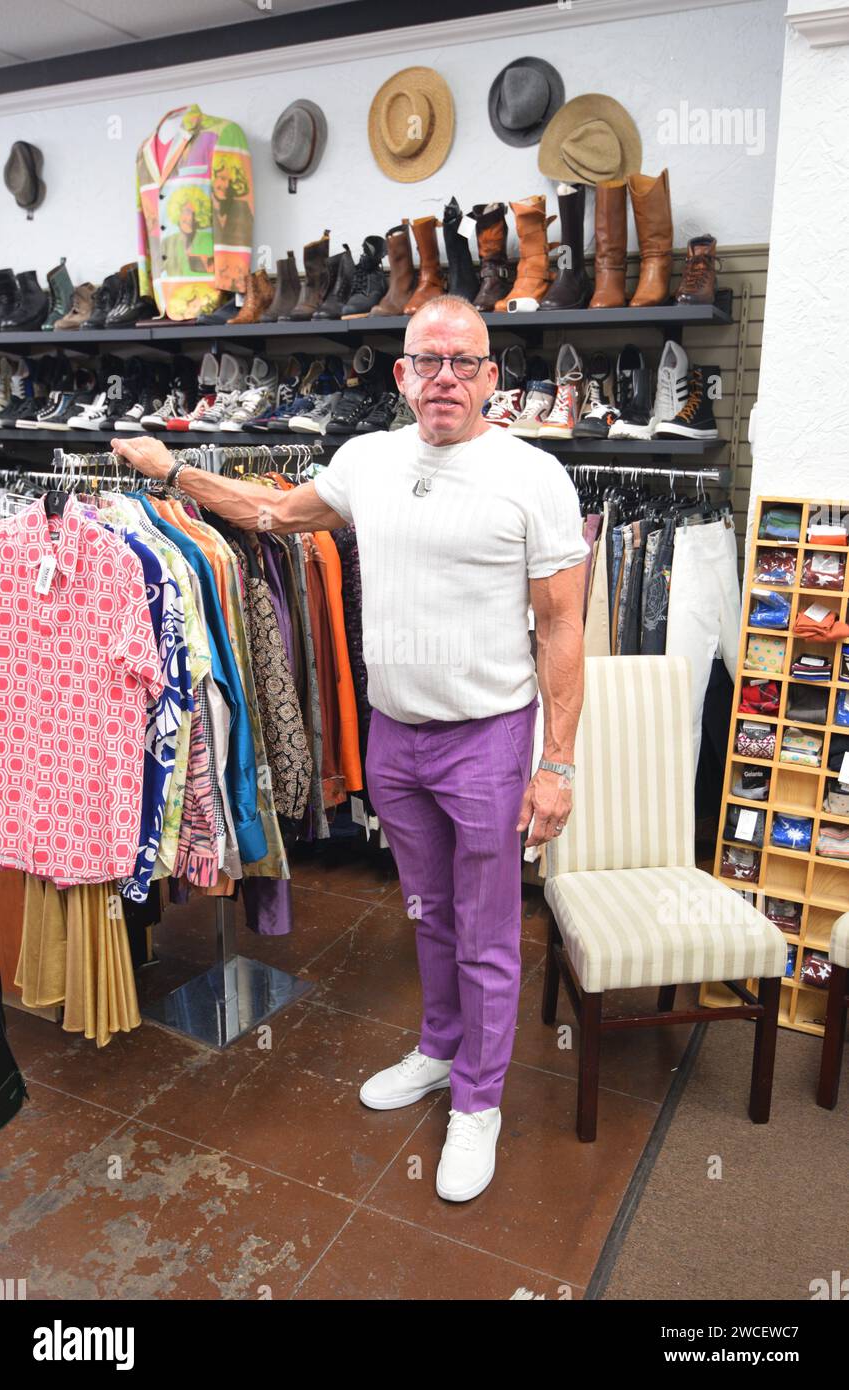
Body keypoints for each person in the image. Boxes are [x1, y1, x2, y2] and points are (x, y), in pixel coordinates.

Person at [111, 294, 588, 1203]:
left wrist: (556, 764)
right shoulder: (366, 460)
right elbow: (272, 516)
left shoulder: (535, 476)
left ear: (492, 377)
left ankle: (479, 1104)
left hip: (489, 738)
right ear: (401, 375)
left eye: (465, 361)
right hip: (395, 738)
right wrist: (175, 474)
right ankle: (442, 1051)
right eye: (427, 360)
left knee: (488, 933)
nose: (446, 376)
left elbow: (562, 626)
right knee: (429, 915)